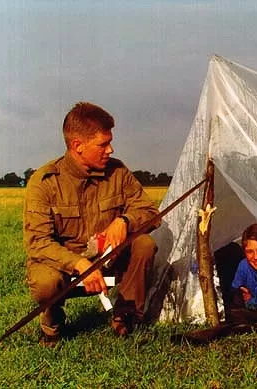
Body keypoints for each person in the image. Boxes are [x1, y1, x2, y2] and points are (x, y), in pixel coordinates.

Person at [23, 102, 160, 346]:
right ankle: (52, 323)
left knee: (144, 244)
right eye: (103, 144)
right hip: (66, 266)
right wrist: (79, 263)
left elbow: (150, 212)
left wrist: (124, 221)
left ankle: (125, 315)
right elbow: (38, 243)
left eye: (110, 142)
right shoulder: (43, 182)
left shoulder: (118, 172)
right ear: (78, 146)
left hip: (108, 259)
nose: (110, 149)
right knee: (45, 282)